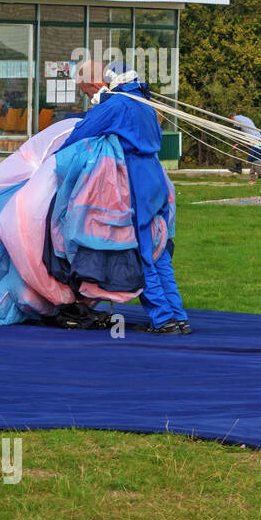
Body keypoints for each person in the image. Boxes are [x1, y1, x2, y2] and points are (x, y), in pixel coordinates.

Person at [64, 60, 191, 335]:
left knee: (142, 253)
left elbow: (81, 134)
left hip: (135, 181)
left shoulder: (117, 105)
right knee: (159, 254)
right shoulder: (145, 105)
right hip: (157, 179)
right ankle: (179, 317)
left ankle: (163, 319)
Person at [231, 113, 261, 183]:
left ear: (232, 118)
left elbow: (237, 131)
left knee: (237, 149)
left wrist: (237, 143)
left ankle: (238, 168)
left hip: (251, 139)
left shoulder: (236, 119)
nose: (232, 123)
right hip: (258, 136)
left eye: (231, 121)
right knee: (259, 153)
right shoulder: (244, 117)